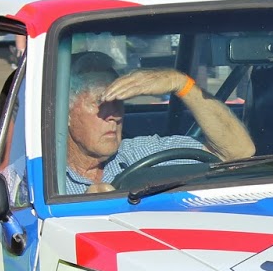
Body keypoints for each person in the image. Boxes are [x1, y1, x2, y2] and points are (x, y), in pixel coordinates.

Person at [61, 52, 254, 194]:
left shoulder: (139, 152)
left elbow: (238, 152)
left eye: (118, 102)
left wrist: (181, 83)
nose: (114, 115)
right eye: (101, 102)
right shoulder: (41, 177)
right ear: (65, 114)